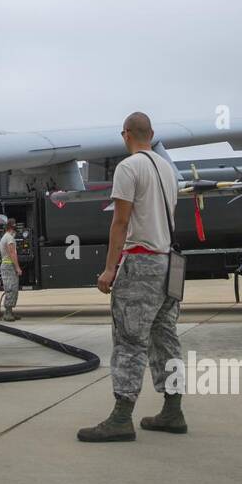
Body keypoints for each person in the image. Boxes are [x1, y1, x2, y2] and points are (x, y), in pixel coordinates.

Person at [78, 111, 187, 442]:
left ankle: (122, 417)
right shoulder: (167, 169)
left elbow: (121, 222)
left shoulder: (128, 168)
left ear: (125, 135)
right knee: (165, 338)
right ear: (151, 134)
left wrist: (110, 268)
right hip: (169, 262)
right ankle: (173, 410)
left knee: (129, 340)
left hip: (141, 265)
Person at [0, 218, 23, 321]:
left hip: (7, 266)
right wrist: (17, 268)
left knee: (12, 289)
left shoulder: (6, 237)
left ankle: (10, 312)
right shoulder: (9, 238)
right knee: (11, 289)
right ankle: (7, 313)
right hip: (9, 267)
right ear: (12, 228)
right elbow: (12, 253)